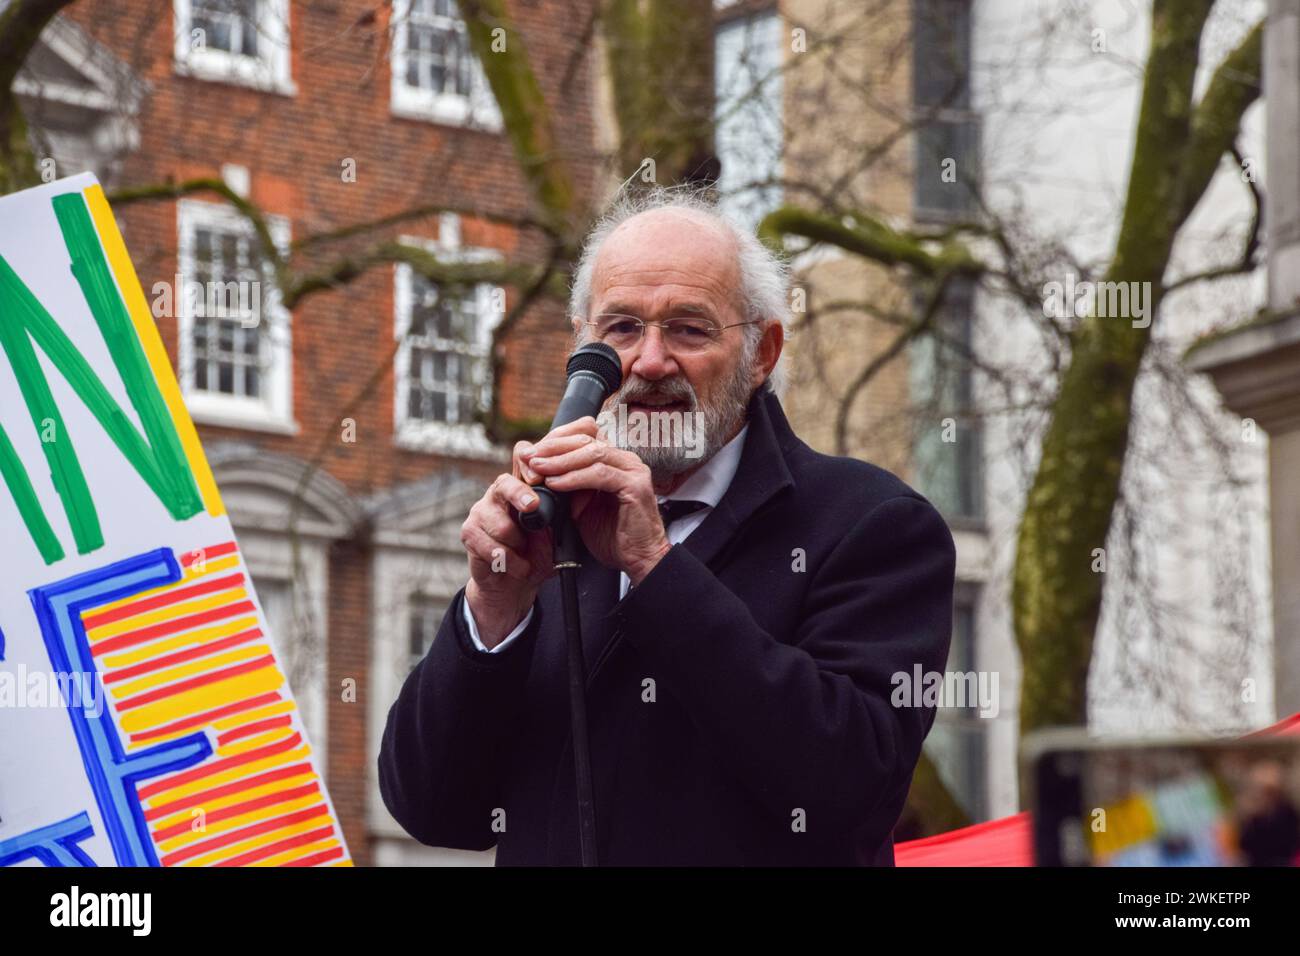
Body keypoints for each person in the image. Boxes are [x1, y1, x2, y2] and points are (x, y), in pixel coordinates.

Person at [378, 186, 957, 865]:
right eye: (621, 328)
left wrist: (657, 569)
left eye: (688, 328)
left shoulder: (871, 525)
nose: (650, 363)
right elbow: (431, 807)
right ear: (582, 346)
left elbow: (849, 786)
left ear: (762, 354)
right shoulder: (548, 528)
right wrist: (493, 612)